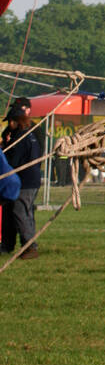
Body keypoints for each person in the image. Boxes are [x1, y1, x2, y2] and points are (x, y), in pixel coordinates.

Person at [1, 103, 43, 258]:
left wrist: (6, 144)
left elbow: (13, 161)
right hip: (32, 179)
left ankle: (30, 247)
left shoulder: (20, 137)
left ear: (16, 120)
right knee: (24, 211)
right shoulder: (30, 134)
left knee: (19, 211)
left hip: (24, 181)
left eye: (10, 121)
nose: (9, 125)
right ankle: (9, 244)